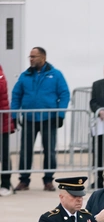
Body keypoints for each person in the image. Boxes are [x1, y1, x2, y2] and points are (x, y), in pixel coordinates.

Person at [11, 47, 70, 192]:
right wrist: (14, 115)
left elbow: (64, 94)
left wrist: (60, 114)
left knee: (49, 150)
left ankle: (48, 180)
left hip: (48, 119)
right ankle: (24, 180)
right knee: (25, 150)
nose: (31, 59)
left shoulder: (55, 75)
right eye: (30, 56)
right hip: (29, 119)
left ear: (43, 58)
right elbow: (16, 95)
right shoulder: (25, 76)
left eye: (34, 56)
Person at [0, 63, 12, 196]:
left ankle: (5, 184)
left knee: (3, 154)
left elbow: (1, 87)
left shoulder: (0, 73)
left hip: (1, 123)